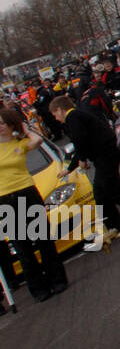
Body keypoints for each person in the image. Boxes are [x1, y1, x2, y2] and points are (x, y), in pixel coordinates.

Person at [0, 107, 69, 302]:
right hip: (4, 199)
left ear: (11, 124)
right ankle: (38, 288)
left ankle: (57, 279)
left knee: (43, 240)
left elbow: (37, 141)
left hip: (27, 191)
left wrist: (24, 127)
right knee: (22, 247)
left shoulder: (20, 143)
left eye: (2, 123)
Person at [49, 95, 120, 237]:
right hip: (105, 155)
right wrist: (70, 167)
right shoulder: (77, 115)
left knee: (113, 192)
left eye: (54, 114)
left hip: (105, 155)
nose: (55, 118)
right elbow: (80, 144)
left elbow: (80, 140)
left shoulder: (72, 117)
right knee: (101, 194)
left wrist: (81, 160)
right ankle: (113, 227)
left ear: (59, 109)